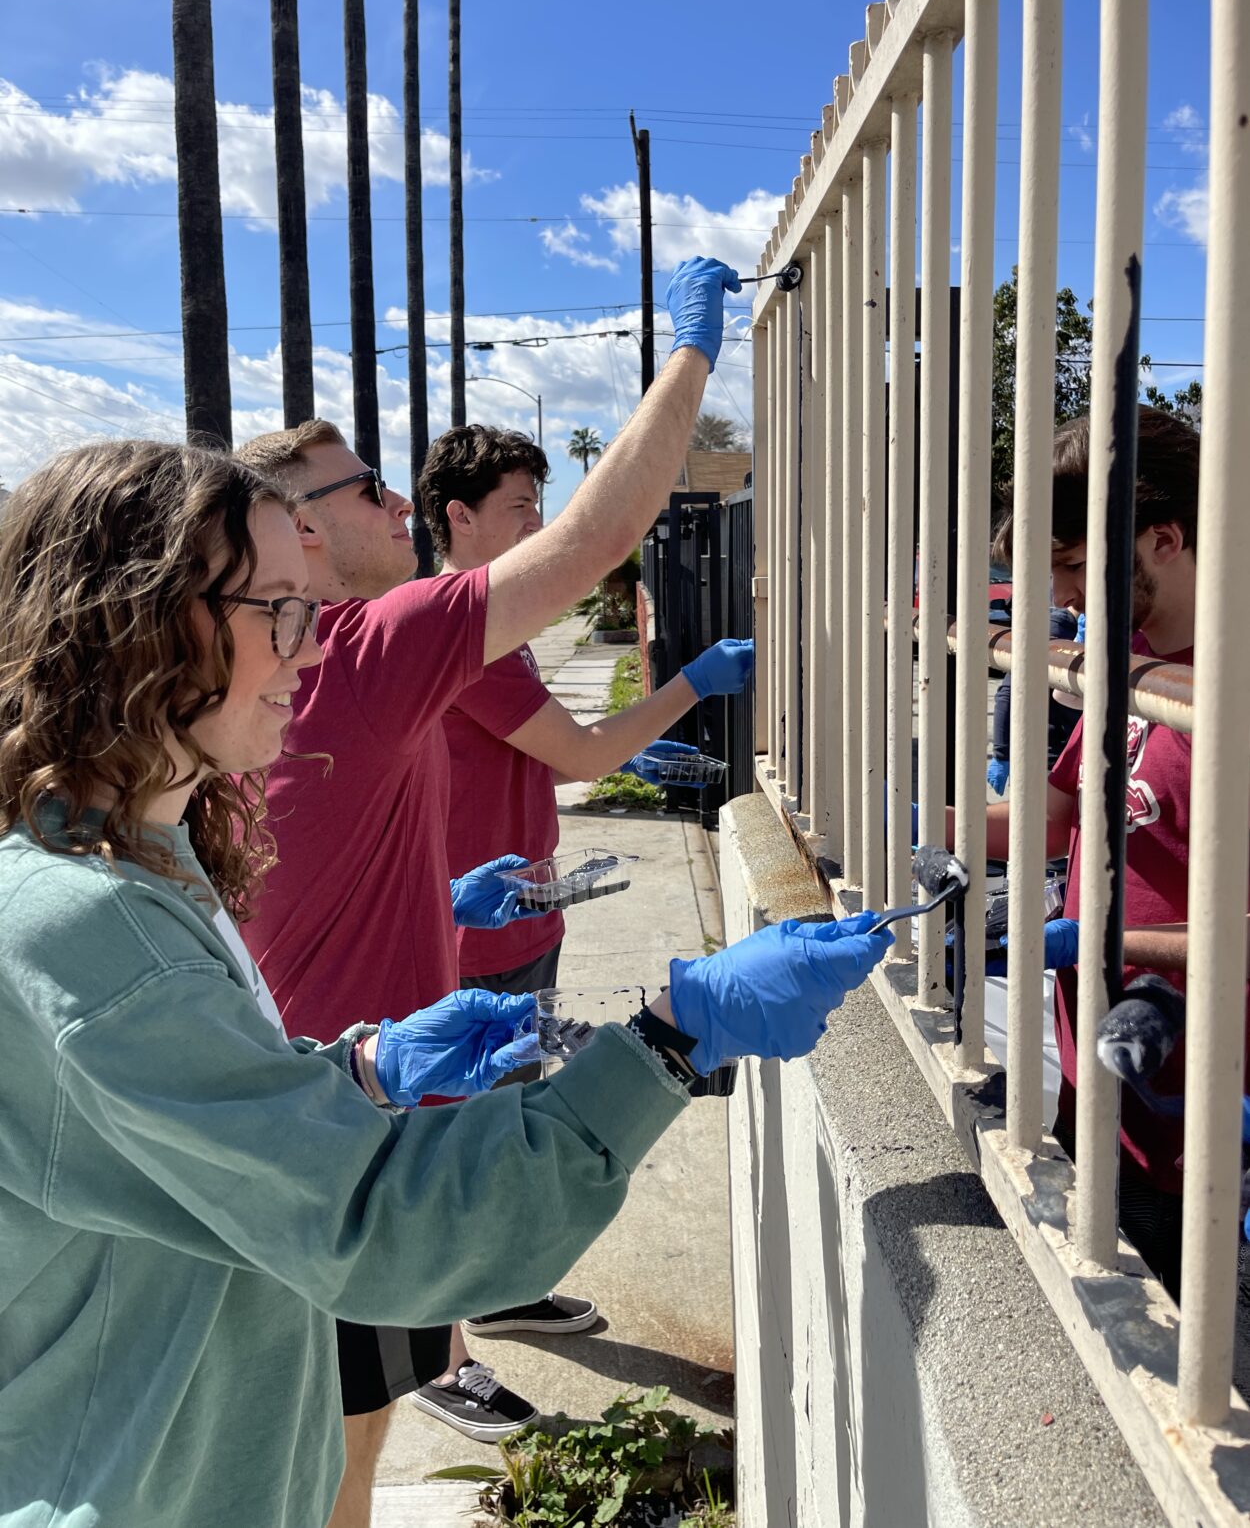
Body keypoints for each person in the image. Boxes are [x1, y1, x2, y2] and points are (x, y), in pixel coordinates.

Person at [0, 436, 893, 1528]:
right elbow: (383, 1232)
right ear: (144, 616)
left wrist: (360, 1066)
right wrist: (670, 1039)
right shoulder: (101, 931)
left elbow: (170, 1137)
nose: (304, 644)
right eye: (275, 607)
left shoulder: (135, 847)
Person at [234, 257, 752, 1506]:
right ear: (298, 522)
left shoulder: (244, 666)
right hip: (358, 1121)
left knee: (317, 1423)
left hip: (281, 1095)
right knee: (343, 1443)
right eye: (365, 484)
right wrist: (690, 351)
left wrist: (425, 894)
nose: (394, 498)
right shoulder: (368, 639)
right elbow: (600, 538)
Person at [949, 408, 1249, 1297]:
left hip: (1196, 1130)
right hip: (1103, 1088)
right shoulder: (1133, 669)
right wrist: (929, 846)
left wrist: (1098, 943)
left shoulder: (1223, 693)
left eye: (1073, 565)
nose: (1062, 596)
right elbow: (1057, 818)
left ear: (1167, 537)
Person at [418, 421, 754, 1006]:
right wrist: (693, 683)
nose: (537, 524)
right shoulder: (463, 636)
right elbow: (585, 752)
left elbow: (531, 759)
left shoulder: (492, 626)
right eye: (520, 505)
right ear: (460, 516)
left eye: (536, 505)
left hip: (521, 911)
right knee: (498, 1095)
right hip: (483, 937)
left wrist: (630, 755)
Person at [986, 605, 1080, 796]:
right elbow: (1009, 693)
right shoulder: (1057, 629)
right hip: (1049, 757)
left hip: (1073, 755)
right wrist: (1001, 754)